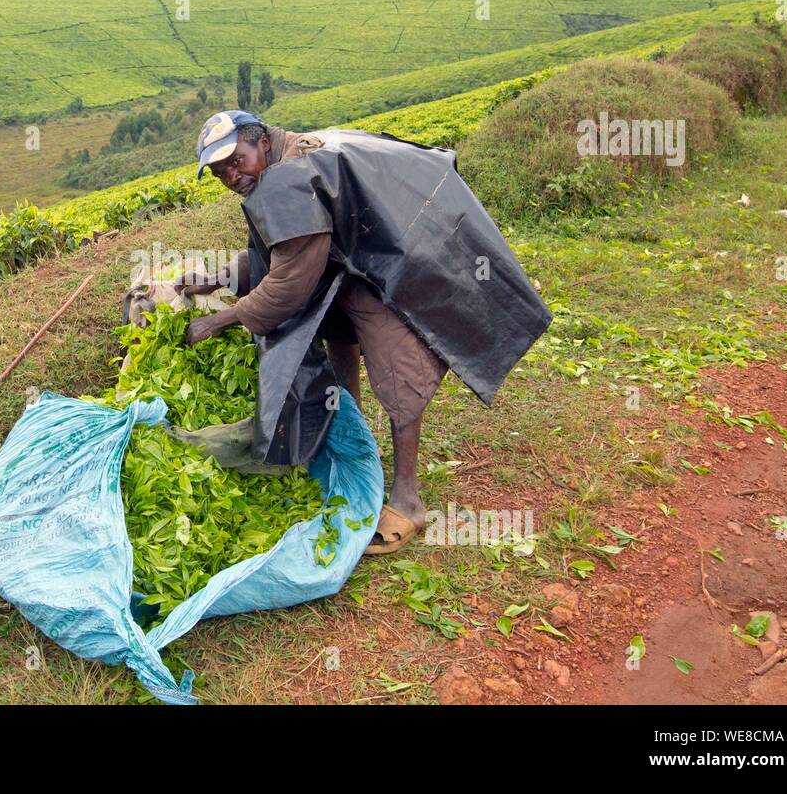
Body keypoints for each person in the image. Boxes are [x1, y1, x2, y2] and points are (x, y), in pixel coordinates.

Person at [180, 110, 552, 554]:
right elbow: (279, 253)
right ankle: (353, 441)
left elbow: (287, 285)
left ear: (260, 141)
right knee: (340, 336)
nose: (232, 175)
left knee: (399, 375)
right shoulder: (287, 157)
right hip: (356, 260)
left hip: (392, 264)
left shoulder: (288, 179)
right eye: (220, 171)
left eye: (235, 160)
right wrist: (219, 277)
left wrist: (218, 320)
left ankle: (407, 499)